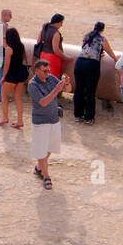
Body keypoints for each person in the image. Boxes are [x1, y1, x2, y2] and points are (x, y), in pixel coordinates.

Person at [28, 58, 70, 190]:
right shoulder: (33, 85)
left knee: (51, 147)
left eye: (48, 70)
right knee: (41, 150)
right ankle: (46, 176)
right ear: (37, 71)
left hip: (53, 119)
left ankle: (40, 167)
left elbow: (67, 90)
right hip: (41, 121)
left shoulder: (51, 78)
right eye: (44, 71)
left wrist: (67, 84)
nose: (47, 73)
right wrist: (57, 90)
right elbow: (43, 102)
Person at [73, 21, 118, 124]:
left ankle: (78, 115)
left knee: (79, 90)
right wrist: (116, 60)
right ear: (102, 30)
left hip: (79, 62)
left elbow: (87, 49)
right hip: (92, 65)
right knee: (90, 91)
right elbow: (109, 51)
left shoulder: (86, 36)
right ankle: (89, 117)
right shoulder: (102, 39)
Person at [0, 26, 28, 129]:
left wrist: (3, 77)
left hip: (11, 75)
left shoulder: (8, 49)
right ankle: (20, 121)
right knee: (17, 97)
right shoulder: (21, 46)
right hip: (21, 74)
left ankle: (5, 118)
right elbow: (24, 59)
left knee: (4, 96)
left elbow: (6, 65)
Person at [36, 14, 65, 79]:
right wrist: (65, 57)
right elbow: (56, 49)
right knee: (52, 80)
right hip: (52, 58)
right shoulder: (55, 33)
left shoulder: (44, 29)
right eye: (61, 23)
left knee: (43, 78)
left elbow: (38, 42)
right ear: (58, 22)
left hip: (42, 55)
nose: (61, 25)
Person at [0, 8, 12, 103]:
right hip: (2, 51)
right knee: (3, 74)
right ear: (5, 15)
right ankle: (2, 96)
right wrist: (8, 48)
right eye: (10, 15)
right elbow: (3, 39)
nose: (11, 17)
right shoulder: (4, 25)